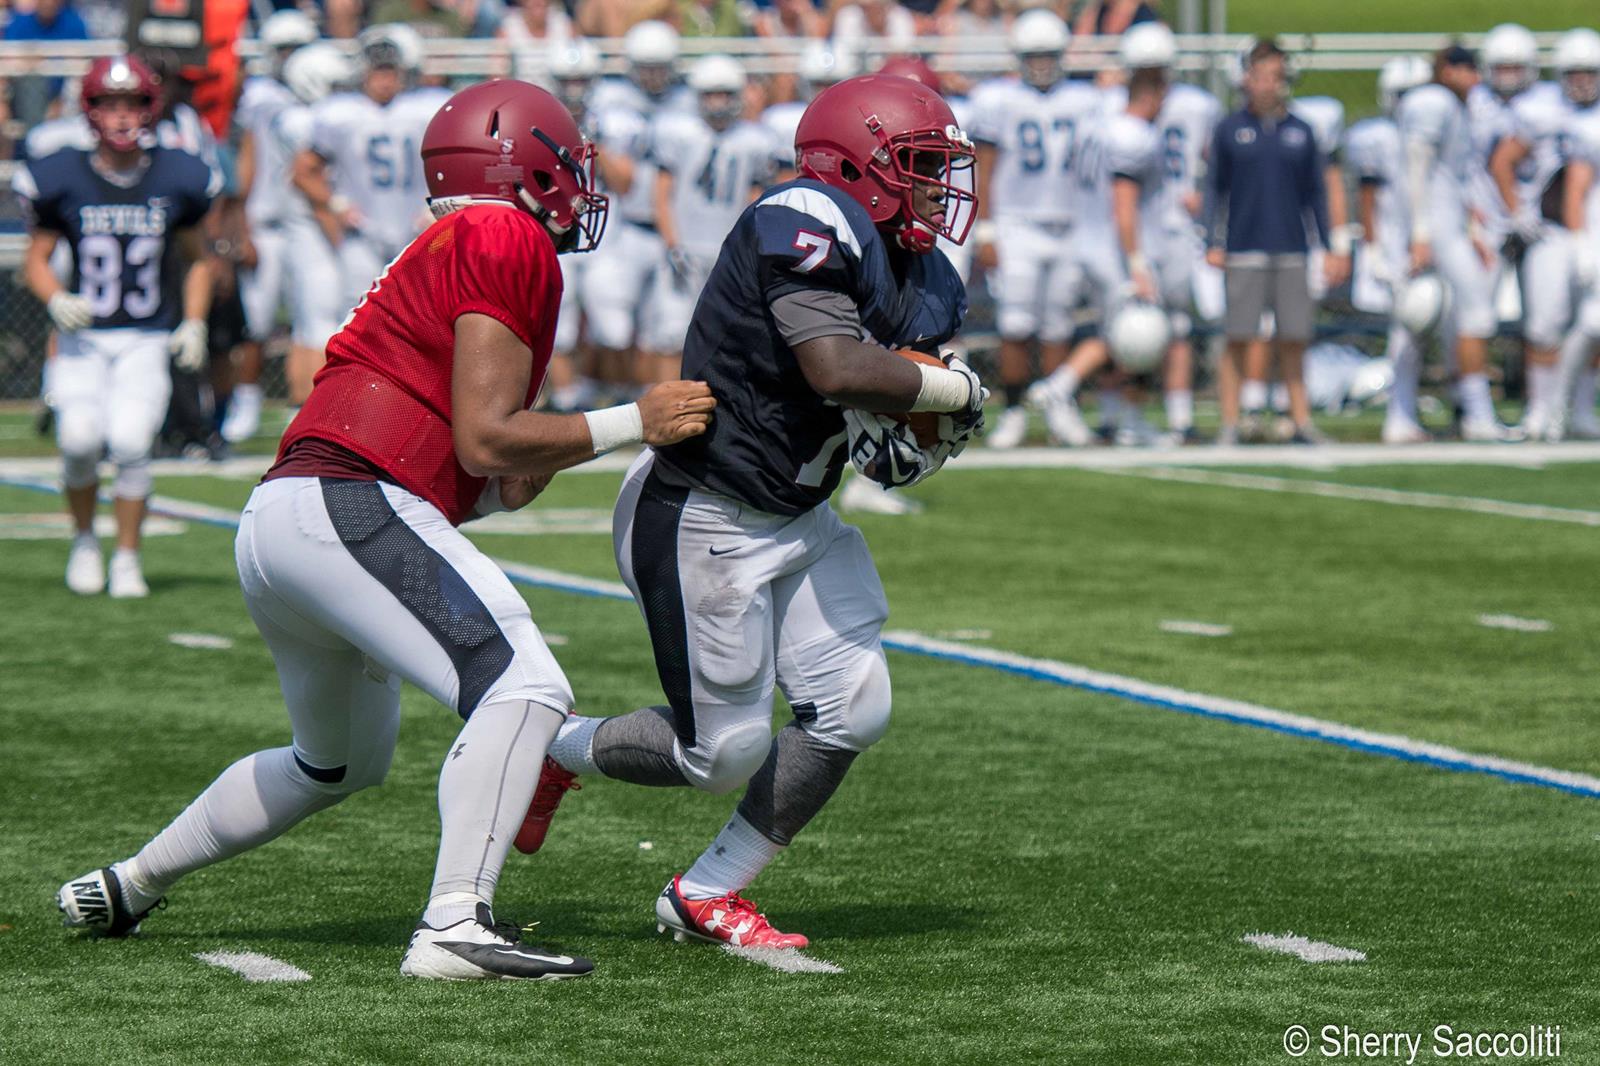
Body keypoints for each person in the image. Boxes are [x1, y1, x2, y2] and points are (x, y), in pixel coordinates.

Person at [55, 79, 719, 982]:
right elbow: (488, 436)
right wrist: (631, 420)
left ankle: (131, 882)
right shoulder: (502, 231)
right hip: (346, 503)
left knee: (335, 764)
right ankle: (454, 925)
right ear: (524, 167)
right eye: (567, 164)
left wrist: (584, 442)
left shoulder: (460, 239)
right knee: (524, 683)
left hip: (290, 517)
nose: (579, 185)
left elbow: (499, 472)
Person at [523, 74, 985, 949]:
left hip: (800, 514)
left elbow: (890, 416)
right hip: (705, 512)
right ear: (859, 164)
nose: (938, 188)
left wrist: (918, 427)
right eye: (921, 166)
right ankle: (555, 746)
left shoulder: (922, 268)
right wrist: (950, 387)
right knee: (719, 754)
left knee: (856, 706)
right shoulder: (801, 217)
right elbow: (837, 370)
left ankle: (707, 891)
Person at [14, 56, 219, 599]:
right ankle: (85, 539)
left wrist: (193, 323)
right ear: (90, 110)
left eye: (132, 104)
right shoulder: (62, 174)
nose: (122, 116)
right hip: (84, 336)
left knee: (130, 441)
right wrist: (56, 298)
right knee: (79, 441)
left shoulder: (178, 174)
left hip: (146, 336)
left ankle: (127, 557)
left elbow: (199, 258)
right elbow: (35, 259)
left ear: (150, 109)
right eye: (109, 104)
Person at [967, 10, 1101, 448]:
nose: (1041, 64)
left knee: (1059, 324)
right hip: (1017, 224)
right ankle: (1014, 410)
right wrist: (984, 230)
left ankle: (1061, 405)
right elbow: (983, 169)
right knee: (1016, 323)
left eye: (1048, 55)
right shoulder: (998, 99)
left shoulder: (1085, 100)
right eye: (1033, 55)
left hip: (1070, 221)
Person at [1202, 38, 1345, 446]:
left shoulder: (1301, 131)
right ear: (1247, 78)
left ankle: (1300, 420)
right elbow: (1215, 190)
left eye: (1275, 76)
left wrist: (1329, 243)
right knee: (1239, 336)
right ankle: (1231, 422)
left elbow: (1315, 193)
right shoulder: (1230, 130)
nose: (1268, 85)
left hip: (1291, 246)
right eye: (1261, 75)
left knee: (1294, 337)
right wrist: (1213, 239)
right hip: (1244, 246)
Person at [1397, 45, 1520, 441]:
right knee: (1463, 313)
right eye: (1467, 68)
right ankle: (1473, 414)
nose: (1475, 78)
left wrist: (1470, 227)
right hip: (1433, 228)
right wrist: (1420, 234)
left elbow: (1454, 178)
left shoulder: (1453, 106)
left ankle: (1457, 409)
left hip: (1447, 225)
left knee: (1451, 318)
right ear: (1447, 70)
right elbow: (1418, 166)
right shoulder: (1433, 100)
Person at [1488, 30, 1598, 441]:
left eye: (1591, 72)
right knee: (1545, 327)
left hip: (1592, 233)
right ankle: (1539, 410)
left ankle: (1581, 411)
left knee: (1592, 327)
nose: (1583, 81)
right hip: (1550, 231)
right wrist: (1517, 211)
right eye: (1575, 73)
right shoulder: (1541, 110)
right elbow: (1502, 161)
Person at [650, 55, 782, 382]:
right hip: (685, 247)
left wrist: (747, 249)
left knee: (729, 332)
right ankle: (666, 404)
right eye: (710, 95)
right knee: (670, 333)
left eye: (724, 94)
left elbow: (756, 200)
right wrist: (672, 243)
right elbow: (662, 193)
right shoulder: (680, 131)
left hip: (728, 249)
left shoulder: (754, 139)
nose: (718, 103)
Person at [227, 10, 320, 444]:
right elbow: (248, 159)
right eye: (286, 49)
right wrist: (242, 223)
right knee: (256, 324)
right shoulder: (261, 97)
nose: (293, 58)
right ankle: (245, 401)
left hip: (308, 222)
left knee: (310, 320)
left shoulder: (322, 92)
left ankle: (304, 406)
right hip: (267, 222)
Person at [1345, 56, 1434, 443]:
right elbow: (1369, 195)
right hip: (1398, 243)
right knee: (1407, 329)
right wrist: (1373, 247)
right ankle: (1399, 414)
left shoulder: (1435, 130)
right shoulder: (1378, 137)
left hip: (1430, 238)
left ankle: (1421, 411)